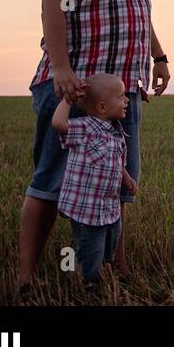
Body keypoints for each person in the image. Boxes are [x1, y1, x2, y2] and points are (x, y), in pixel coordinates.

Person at [16, 0, 171, 299]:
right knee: (50, 181)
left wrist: (157, 55)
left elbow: (140, 6)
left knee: (116, 184)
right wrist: (62, 68)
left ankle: (111, 270)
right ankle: (26, 278)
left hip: (122, 88)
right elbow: (54, 8)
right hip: (77, 88)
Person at [52, 74, 136, 286]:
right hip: (87, 209)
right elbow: (59, 123)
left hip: (109, 206)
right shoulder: (86, 128)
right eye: (121, 96)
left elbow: (117, 161)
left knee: (112, 240)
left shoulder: (116, 132)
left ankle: (101, 264)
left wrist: (127, 179)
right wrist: (67, 101)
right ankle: (90, 281)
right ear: (101, 107)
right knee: (92, 246)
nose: (127, 100)